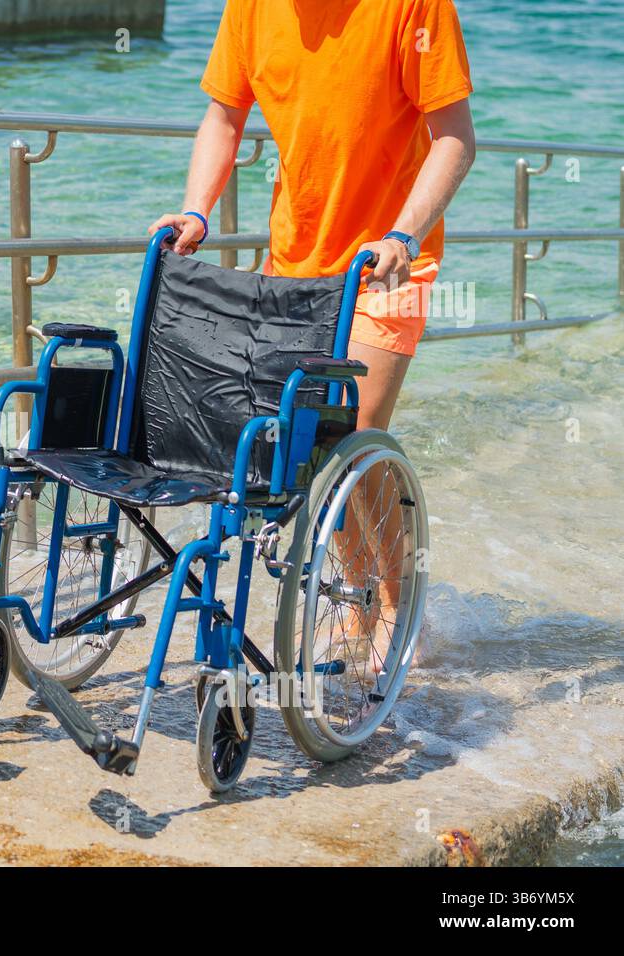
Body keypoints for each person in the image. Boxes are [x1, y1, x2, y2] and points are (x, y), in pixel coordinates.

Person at [148, 0, 476, 684]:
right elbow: (224, 116)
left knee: (355, 430)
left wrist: (403, 234)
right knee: (310, 445)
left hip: (389, 263)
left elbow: (455, 138)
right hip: (295, 261)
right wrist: (197, 211)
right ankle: (356, 597)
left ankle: (397, 599)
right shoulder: (251, 8)